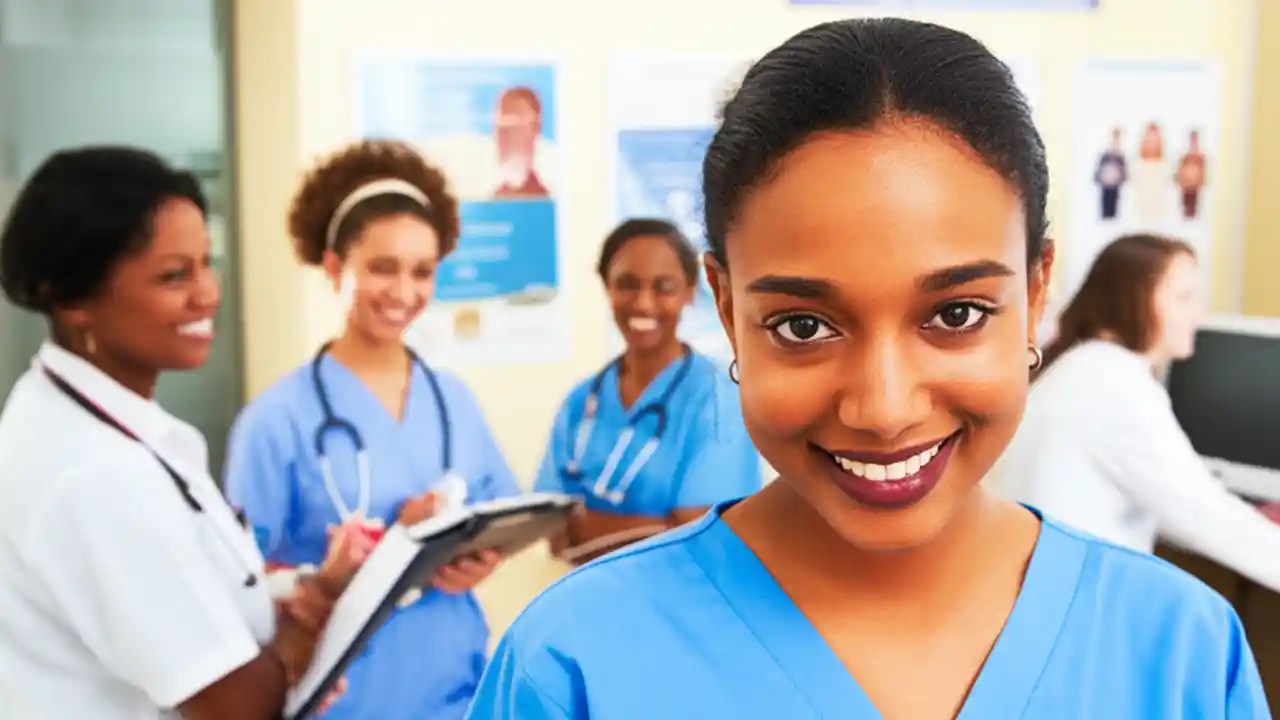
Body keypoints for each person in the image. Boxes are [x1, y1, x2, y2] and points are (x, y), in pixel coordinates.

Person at [465, 19, 1268, 719]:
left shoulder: (1181, 654)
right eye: (804, 325)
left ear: (1035, 290)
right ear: (726, 304)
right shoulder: (574, 665)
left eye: (955, 314)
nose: (883, 409)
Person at [0, 147, 366, 718]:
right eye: (174, 275)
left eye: (205, 262)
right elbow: (232, 705)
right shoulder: (91, 473)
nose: (207, 294)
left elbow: (172, 601)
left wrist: (305, 593)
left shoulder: (78, 419)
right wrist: (302, 645)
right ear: (73, 299)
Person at [223, 139, 521, 719]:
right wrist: (377, 555)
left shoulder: (452, 400)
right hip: (342, 698)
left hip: (454, 689)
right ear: (335, 267)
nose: (404, 293)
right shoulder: (276, 420)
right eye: (382, 268)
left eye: (422, 272)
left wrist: (479, 556)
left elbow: (498, 515)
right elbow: (240, 586)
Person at [997, 234, 1280, 593]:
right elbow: (1207, 517)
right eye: (1183, 298)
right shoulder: (1115, 385)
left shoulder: (1080, 365)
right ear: (1135, 298)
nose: (1198, 314)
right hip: (1066, 600)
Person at [534, 218, 760, 564]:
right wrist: (660, 525)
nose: (643, 304)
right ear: (606, 287)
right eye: (626, 284)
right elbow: (553, 536)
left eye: (663, 287)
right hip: (595, 603)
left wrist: (584, 526)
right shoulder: (581, 402)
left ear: (689, 292)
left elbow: (704, 536)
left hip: (689, 602)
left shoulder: (718, 396)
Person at [493, 86, 549, 198]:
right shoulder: (496, 198)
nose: (504, 140)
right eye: (501, 130)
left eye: (515, 129)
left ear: (535, 130)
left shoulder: (543, 198)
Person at [1094, 126, 1127, 220]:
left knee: (1114, 211)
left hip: (1115, 188)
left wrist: (1119, 178)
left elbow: (1124, 174)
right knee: (1105, 210)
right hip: (1105, 187)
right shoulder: (1105, 156)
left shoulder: (1120, 157)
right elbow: (1097, 173)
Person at [1177, 129, 1207, 220]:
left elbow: (1202, 172)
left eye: (1195, 139)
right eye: (1193, 138)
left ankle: (1192, 215)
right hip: (1187, 187)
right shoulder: (1185, 157)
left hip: (1194, 188)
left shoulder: (1200, 157)